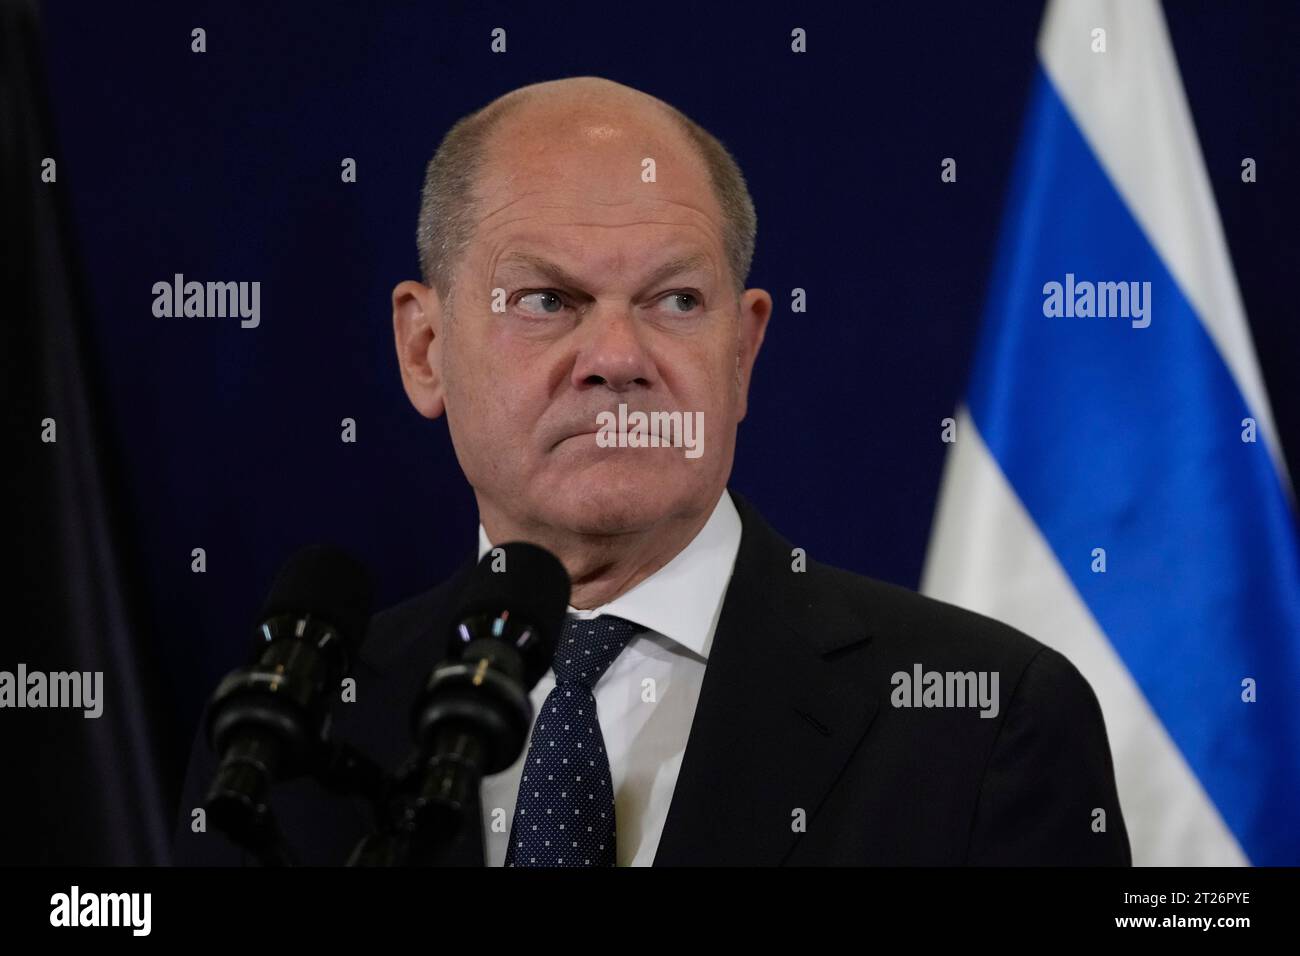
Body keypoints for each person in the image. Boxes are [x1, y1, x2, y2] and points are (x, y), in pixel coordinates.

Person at [173, 75, 1130, 866]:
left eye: (675, 299)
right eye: (548, 299)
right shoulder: (286, 744)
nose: (618, 357)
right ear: (425, 349)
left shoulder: (986, 720)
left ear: (742, 351)